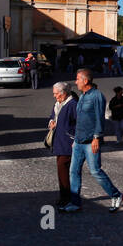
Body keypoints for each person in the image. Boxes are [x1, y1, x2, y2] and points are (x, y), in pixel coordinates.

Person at [66, 68, 123, 213]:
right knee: (73, 171)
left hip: (91, 141)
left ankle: (116, 195)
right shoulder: (83, 96)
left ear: (85, 80)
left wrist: (97, 138)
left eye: (78, 79)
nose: (76, 82)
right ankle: (75, 203)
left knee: (95, 171)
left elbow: (99, 118)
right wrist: (75, 139)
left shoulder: (97, 96)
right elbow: (81, 120)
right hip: (79, 141)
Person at [47, 81, 79, 209]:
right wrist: (51, 122)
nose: (54, 96)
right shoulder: (58, 104)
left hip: (68, 143)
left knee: (63, 169)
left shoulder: (72, 105)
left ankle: (67, 198)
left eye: (56, 94)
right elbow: (52, 116)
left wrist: (75, 139)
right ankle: (64, 197)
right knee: (61, 171)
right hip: (59, 142)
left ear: (63, 93)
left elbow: (79, 124)